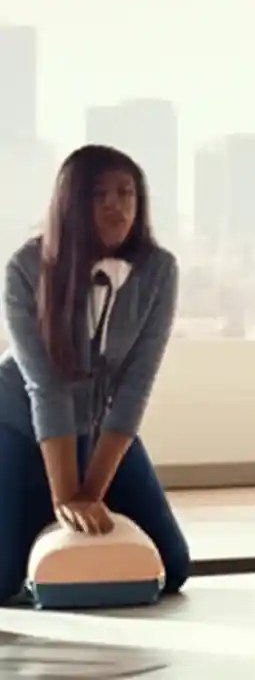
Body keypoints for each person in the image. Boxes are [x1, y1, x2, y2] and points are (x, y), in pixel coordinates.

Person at [0, 144, 188, 603]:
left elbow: (135, 386)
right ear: (70, 204)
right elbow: (46, 388)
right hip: (20, 424)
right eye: (98, 195)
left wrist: (91, 492)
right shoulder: (25, 269)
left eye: (126, 193)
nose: (115, 205)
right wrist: (68, 499)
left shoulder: (159, 271)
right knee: (4, 580)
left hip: (99, 428)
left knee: (174, 566)